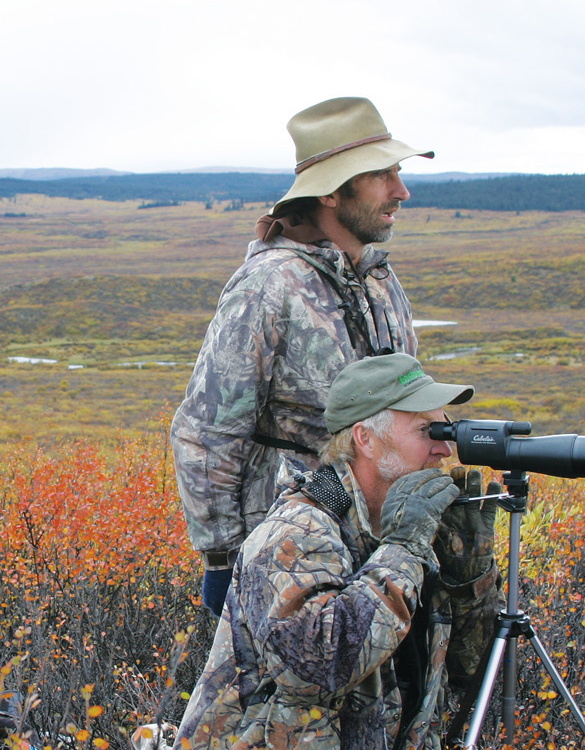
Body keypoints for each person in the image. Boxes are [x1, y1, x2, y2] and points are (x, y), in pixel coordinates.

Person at [71, 354, 500, 750]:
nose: (444, 449)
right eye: (428, 431)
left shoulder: (405, 532)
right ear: (365, 437)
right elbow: (324, 661)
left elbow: (466, 674)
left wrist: (468, 559)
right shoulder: (296, 533)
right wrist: (406, 549)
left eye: (448, 432)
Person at [171, 97, 435, 616]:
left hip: (379, 551)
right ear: (334, 192)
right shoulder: (269, 285)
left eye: (397, 173)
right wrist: (224, 562)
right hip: (285, 559)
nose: (401, 192)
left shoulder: (380, 280)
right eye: (383, 175)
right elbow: (207, 432)